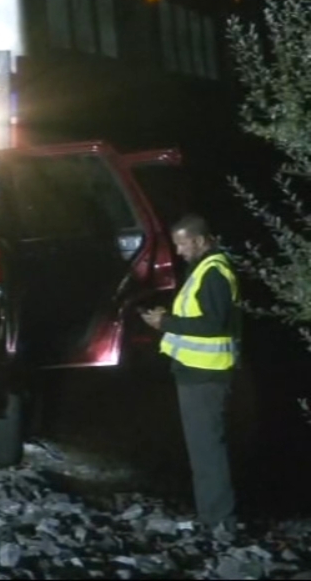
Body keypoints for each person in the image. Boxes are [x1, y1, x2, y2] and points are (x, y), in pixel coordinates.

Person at [140, 213, 240, 537]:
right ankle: (212, 519)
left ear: (198, 240)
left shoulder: (213, 273)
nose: (179, 251)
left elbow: (212, 324)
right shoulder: (204, 269)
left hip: (206, 376)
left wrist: (165, 323)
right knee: (204, 451)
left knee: (208, 451)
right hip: (197, 374)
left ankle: (220, 523)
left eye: (182, 244)